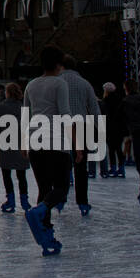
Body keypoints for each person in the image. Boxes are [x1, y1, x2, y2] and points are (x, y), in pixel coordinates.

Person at [22, 46, 70, 256]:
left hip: (35, 143)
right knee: (61, 188)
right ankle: (39, 213)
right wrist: (76, 144)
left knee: (44, 188)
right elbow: (65, 115)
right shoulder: (60, 84)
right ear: (59, 64)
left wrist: (24, 142)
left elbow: (26, 115)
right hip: (56, 142)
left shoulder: (31, 85)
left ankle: (46, 235)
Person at [60, 55, 99, 213]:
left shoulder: (57, 82)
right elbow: (95, 109)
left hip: (61, 127)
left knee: (62, 166)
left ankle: (59, 200)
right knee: (80, 168)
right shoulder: (85, 84)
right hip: (82, 127)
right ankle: (82, 202)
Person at [0, 80, 30, 212]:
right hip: (21, 146)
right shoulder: (24, 109)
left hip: (6, 147)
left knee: (7, 174)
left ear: (7, 93)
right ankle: (25, 201)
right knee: (21, 176)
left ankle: (10, 201)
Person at [100, 82, 126, 178]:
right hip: (119, 128)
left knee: (111, 149)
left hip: (110, 128)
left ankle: (113, 168)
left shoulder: (105, 101)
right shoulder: (120, 100)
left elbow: (104, 114)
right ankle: (121, 168)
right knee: (119, 148)